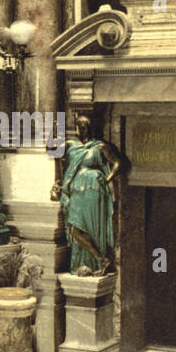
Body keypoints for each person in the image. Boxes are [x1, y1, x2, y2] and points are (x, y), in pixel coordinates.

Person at [51, 115, 123, 275]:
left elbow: (118, 163)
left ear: (90, 128)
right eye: (79, 126)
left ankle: (97, 263)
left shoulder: (100, 146)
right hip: (76, 189)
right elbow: (53, 152)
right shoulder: (70, 145)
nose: (82, 129)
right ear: (75, 128)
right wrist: (54, 133)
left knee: (91, 227)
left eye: (85, 126)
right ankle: (100, 259)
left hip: (94, 191)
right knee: (74, 227)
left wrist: (107, 178)